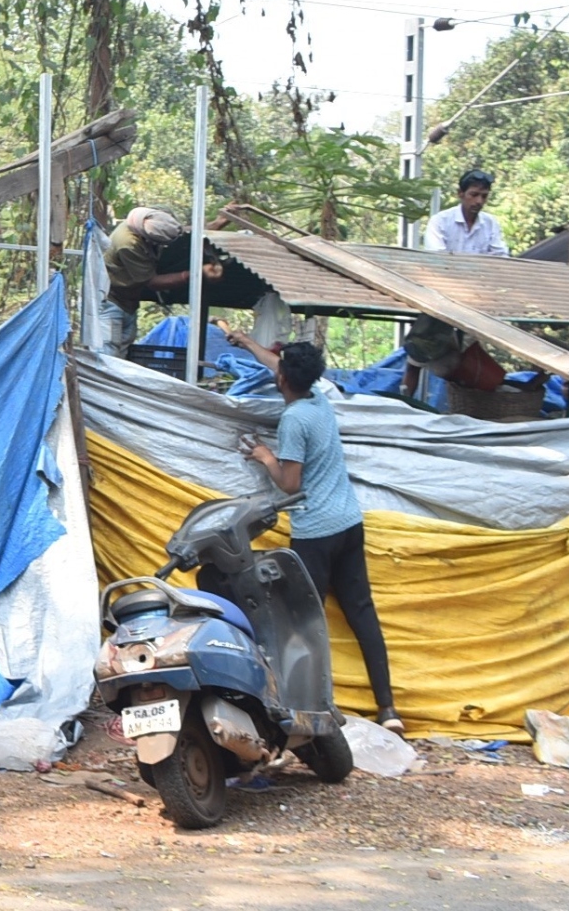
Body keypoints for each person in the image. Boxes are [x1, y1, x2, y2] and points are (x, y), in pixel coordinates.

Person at [216, 327, 404, 735]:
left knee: (303, 623)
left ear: (283, 379)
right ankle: (388, 708)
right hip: (348, 523)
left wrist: (265, 456)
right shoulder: (318, 399)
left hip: (315, 532)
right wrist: (247, 343)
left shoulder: (294, 420)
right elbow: (282, 367)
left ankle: (312, 708)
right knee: (361, 612)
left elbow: (290, 484)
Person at [101, 206, 223, 356]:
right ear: (146, 238)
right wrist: (195, 274)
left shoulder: (158, 215)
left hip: (128, 304)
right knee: (107, 357)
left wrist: (216, 224)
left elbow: (181, 231)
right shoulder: (128, 244)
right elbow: (152, 282)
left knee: (121, 355)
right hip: (109, 302)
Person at [424, 170, 508, 256]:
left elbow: (501, 257)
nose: (479, 201)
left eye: (484, 196)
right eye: (474, 195)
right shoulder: (440, 221)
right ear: (460, 193)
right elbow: (436, 257)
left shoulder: (490, 223)